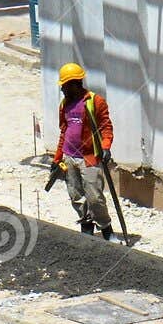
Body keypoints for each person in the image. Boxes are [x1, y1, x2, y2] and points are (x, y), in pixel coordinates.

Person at [49, 62, 115, 239]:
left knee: (95, 197)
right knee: (76, 196)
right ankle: (86, 227)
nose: (62, 89)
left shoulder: (95, 101)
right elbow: (64, 132)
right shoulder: (64, 104)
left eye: (64, 85)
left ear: (73, 84)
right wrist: (57, 158)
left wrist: (106, 146)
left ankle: (106, 229)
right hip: (69, 157)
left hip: (89, 158)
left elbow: (106, 127)